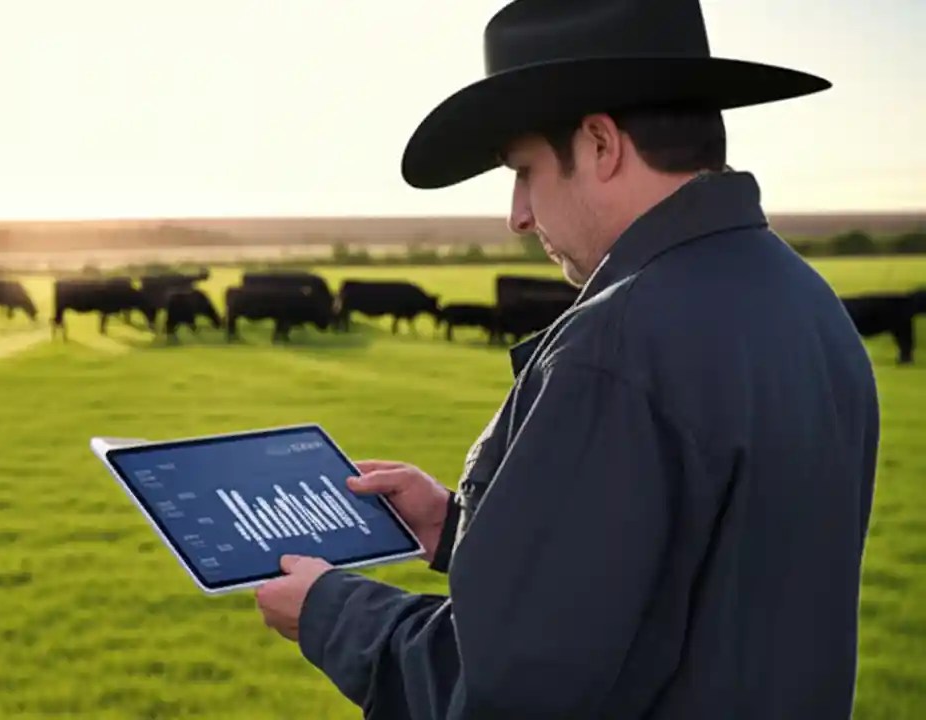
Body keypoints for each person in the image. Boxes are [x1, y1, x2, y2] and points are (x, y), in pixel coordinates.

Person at [252, 0, 881, 717]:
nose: (518, 215)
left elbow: (508, 691)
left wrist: (332, 613)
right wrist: (457, 529)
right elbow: (702, 576)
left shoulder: (617, 345)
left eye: (525, 171)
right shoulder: (801, 299)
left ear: (601, 145)